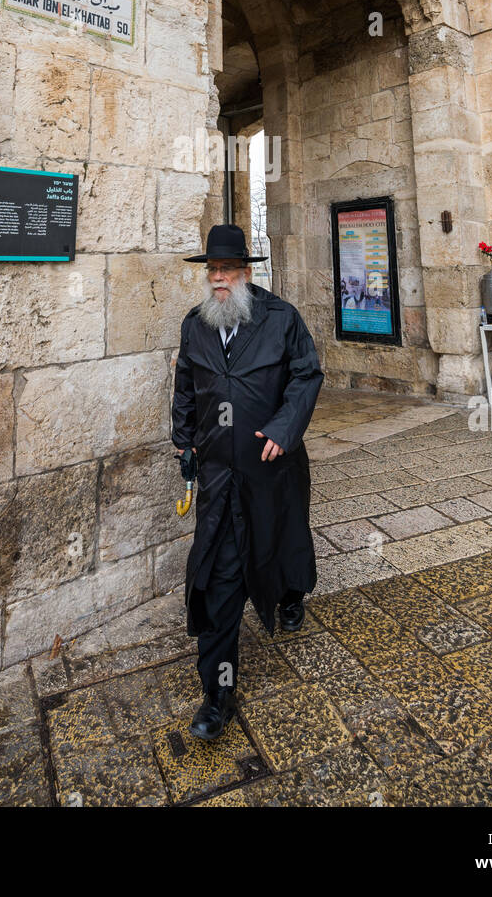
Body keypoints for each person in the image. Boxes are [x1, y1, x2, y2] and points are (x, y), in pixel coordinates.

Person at [171, 223, 324, 741]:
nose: (218, 279)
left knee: (281, 539)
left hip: (272, 464)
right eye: (212, 271)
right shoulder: (196, 325)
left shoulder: (282, 319)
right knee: (218, 572)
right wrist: (185, 440)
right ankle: (218, 693)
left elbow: (307, 375)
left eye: (227, 270)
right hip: (218, 472)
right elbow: (187, 386)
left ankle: (290, 592)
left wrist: (284, 429)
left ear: (245, 273)